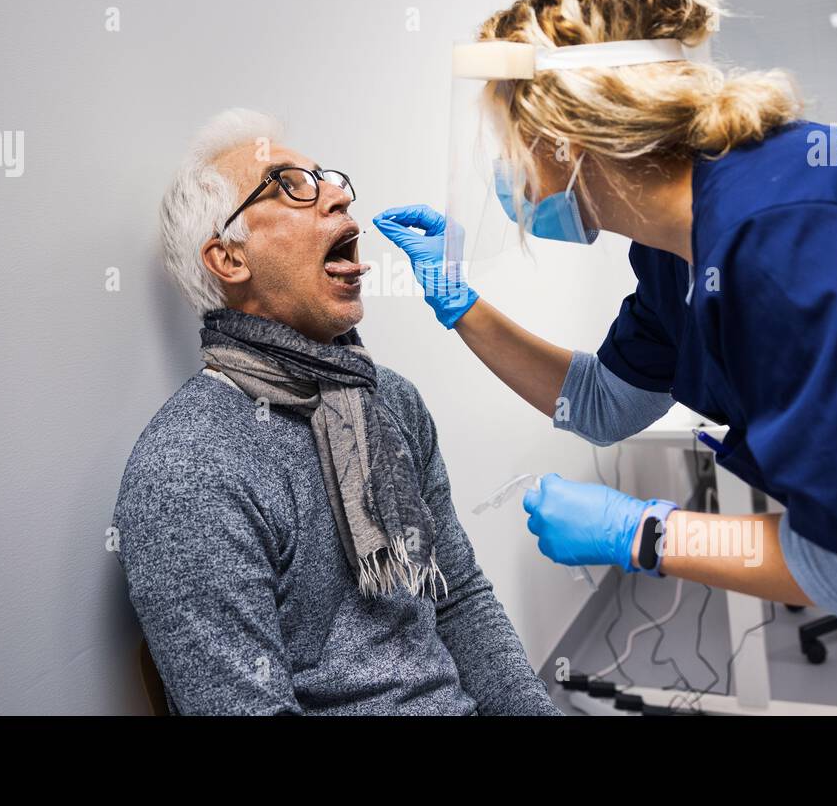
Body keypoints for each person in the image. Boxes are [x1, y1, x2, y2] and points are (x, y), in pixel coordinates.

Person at [373, 0, 837, 714]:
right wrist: (456, 300)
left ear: (569, 133)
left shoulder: (799, 237)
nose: (504, 173)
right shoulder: (680, 249)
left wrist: (645, 533)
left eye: (510, 144)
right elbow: (599, 403)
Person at [113, 108, 559, 715]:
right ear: (230, 260)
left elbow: (460, 600)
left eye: (328, 178)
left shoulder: (389, 401)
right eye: (290, 185)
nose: (337, 194)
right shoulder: (189, 468)